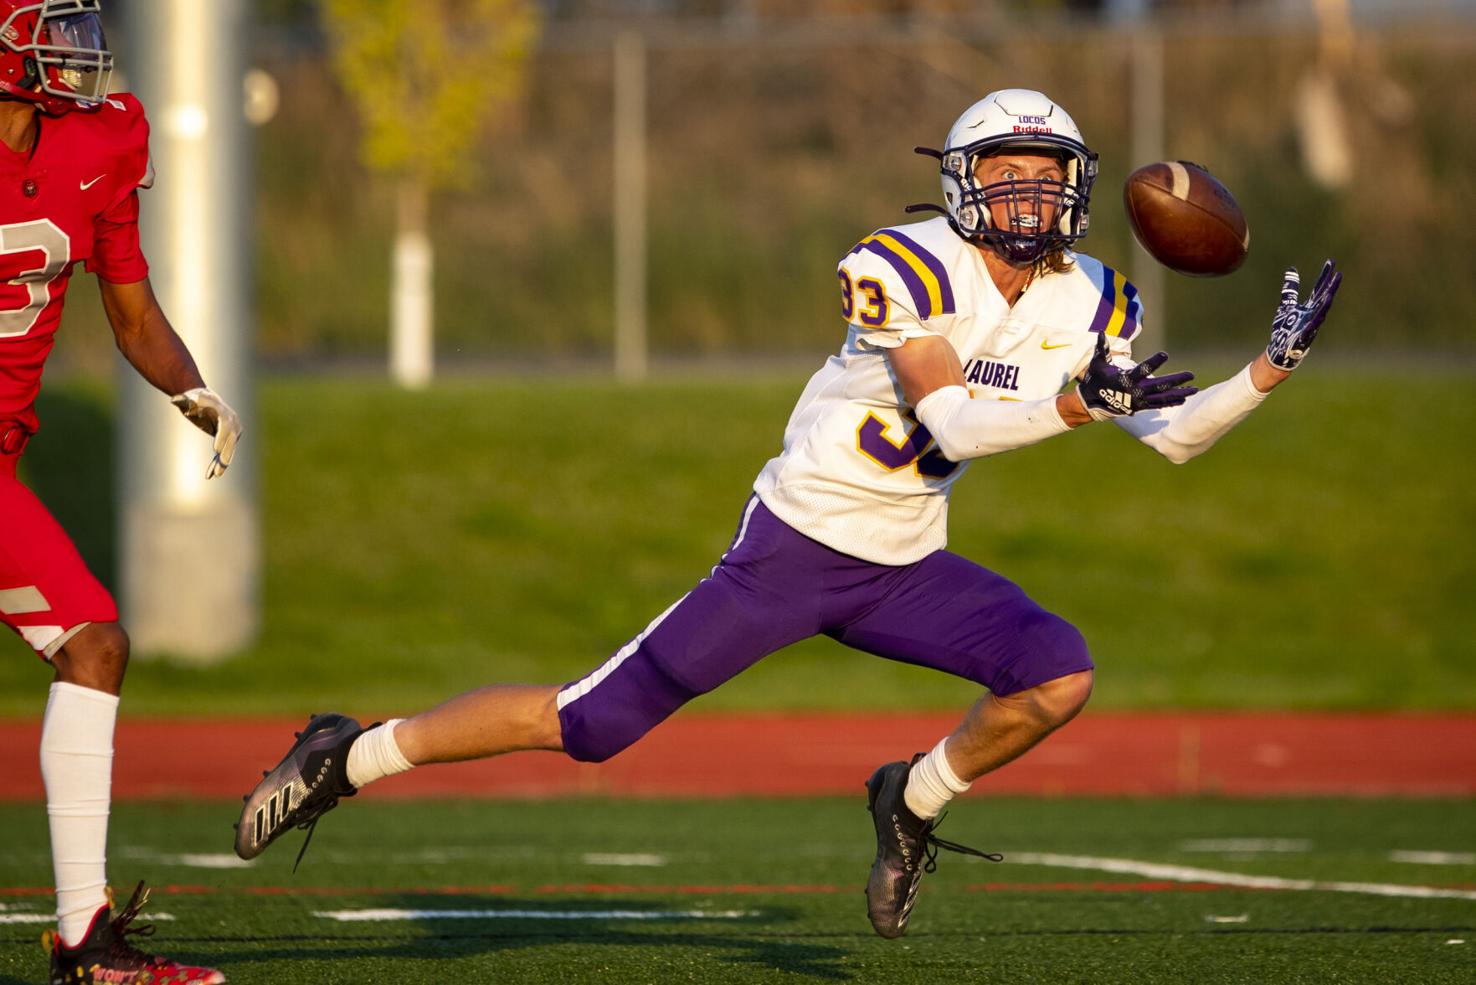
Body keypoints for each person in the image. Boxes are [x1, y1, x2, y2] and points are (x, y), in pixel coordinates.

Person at [235, 88, 1339, 939]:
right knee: (587, 725)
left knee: (1059, 671)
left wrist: (1269, 366)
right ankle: (354, 753)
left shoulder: (1093, 293)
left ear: (1077, 188)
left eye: (1045, 176)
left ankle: (913, 797)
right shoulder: (904, 263)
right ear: (959, 182)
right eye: (1003, 173)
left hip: (908, 562)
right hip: (793, 551)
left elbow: (1174, 433)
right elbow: (951, 423)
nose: (1026, 196)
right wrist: (1073, 401)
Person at [0, 2, 238, 982]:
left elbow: (132, 312)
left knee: (92, 644)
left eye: (81, 25)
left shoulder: (100, 143)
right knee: (94, 640)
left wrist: (193, 388)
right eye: (52, 27)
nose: (78, 48)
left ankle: (83, 938)